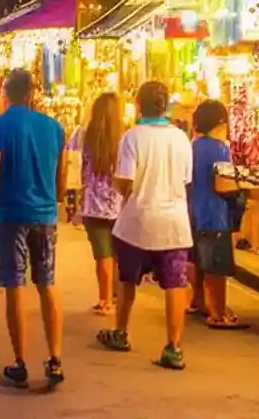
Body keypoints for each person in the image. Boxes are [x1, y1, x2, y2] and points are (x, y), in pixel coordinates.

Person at [0, 69, 66, 389]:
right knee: (47, 284)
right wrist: (55, 202)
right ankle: (55, 359)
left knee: (15, 285)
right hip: (44, 215)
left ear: (6, 93)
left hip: (11, 214)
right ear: (31, 94)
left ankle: (20, 361)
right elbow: (61, 175)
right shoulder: (54, 128)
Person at [99, 81, 194, 370]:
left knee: (128, 278)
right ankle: (174, 347)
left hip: (137, 221)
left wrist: (116, 184)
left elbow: (125, 181)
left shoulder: (133, 137)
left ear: (139, 105)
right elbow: (185, 180)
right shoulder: (181, 138)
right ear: (165, 106)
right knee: (175, 283)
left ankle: (121, 332)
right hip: (174, 222)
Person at [189, 99, 248, 330]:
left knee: (196, 260)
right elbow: (222, 184)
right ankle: (218, 313)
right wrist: (239, 191)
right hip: (214, 214)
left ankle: (198, 301)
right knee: (216, 265)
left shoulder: (192, 146)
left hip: (193, 212)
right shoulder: (219, 148)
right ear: (221, 122)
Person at [71, 93, 125, 315]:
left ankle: (105, 299)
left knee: (102, 253)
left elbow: (72, 166)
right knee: (116, 254)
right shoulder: (124, 138)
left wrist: (72, 201)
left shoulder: (82, 135)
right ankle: (114, 296)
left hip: (93, 204)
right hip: (120, 203)